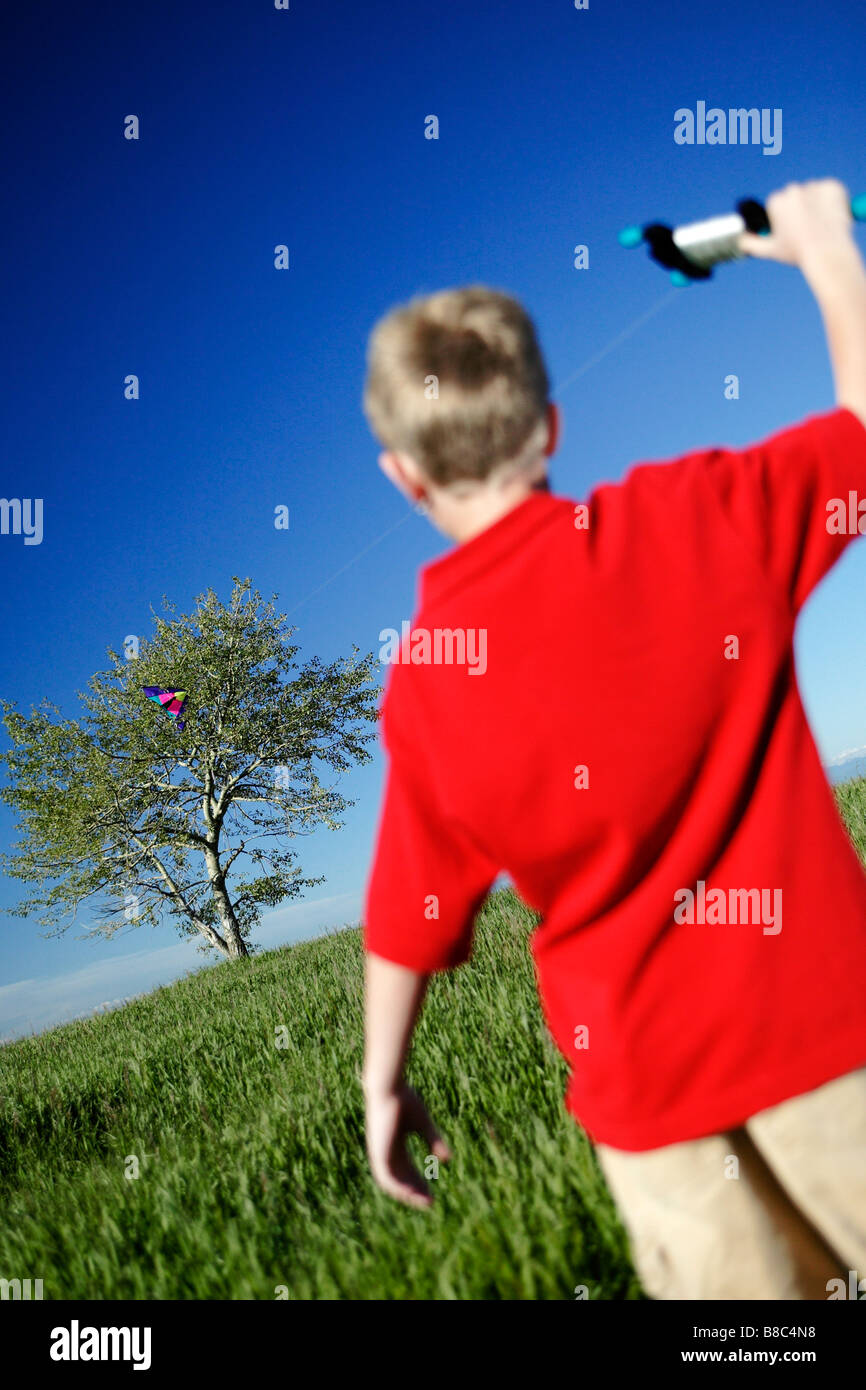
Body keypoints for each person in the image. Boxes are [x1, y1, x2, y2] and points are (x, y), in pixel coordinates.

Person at [360, 180, 866, 1299]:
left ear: (402, 477)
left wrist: (380, 1082)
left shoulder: (428, 681)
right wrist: (826, 257)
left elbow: (407, 917)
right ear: (549, 427)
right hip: (832, 1026)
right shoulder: (702, 517)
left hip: (648, 1102)